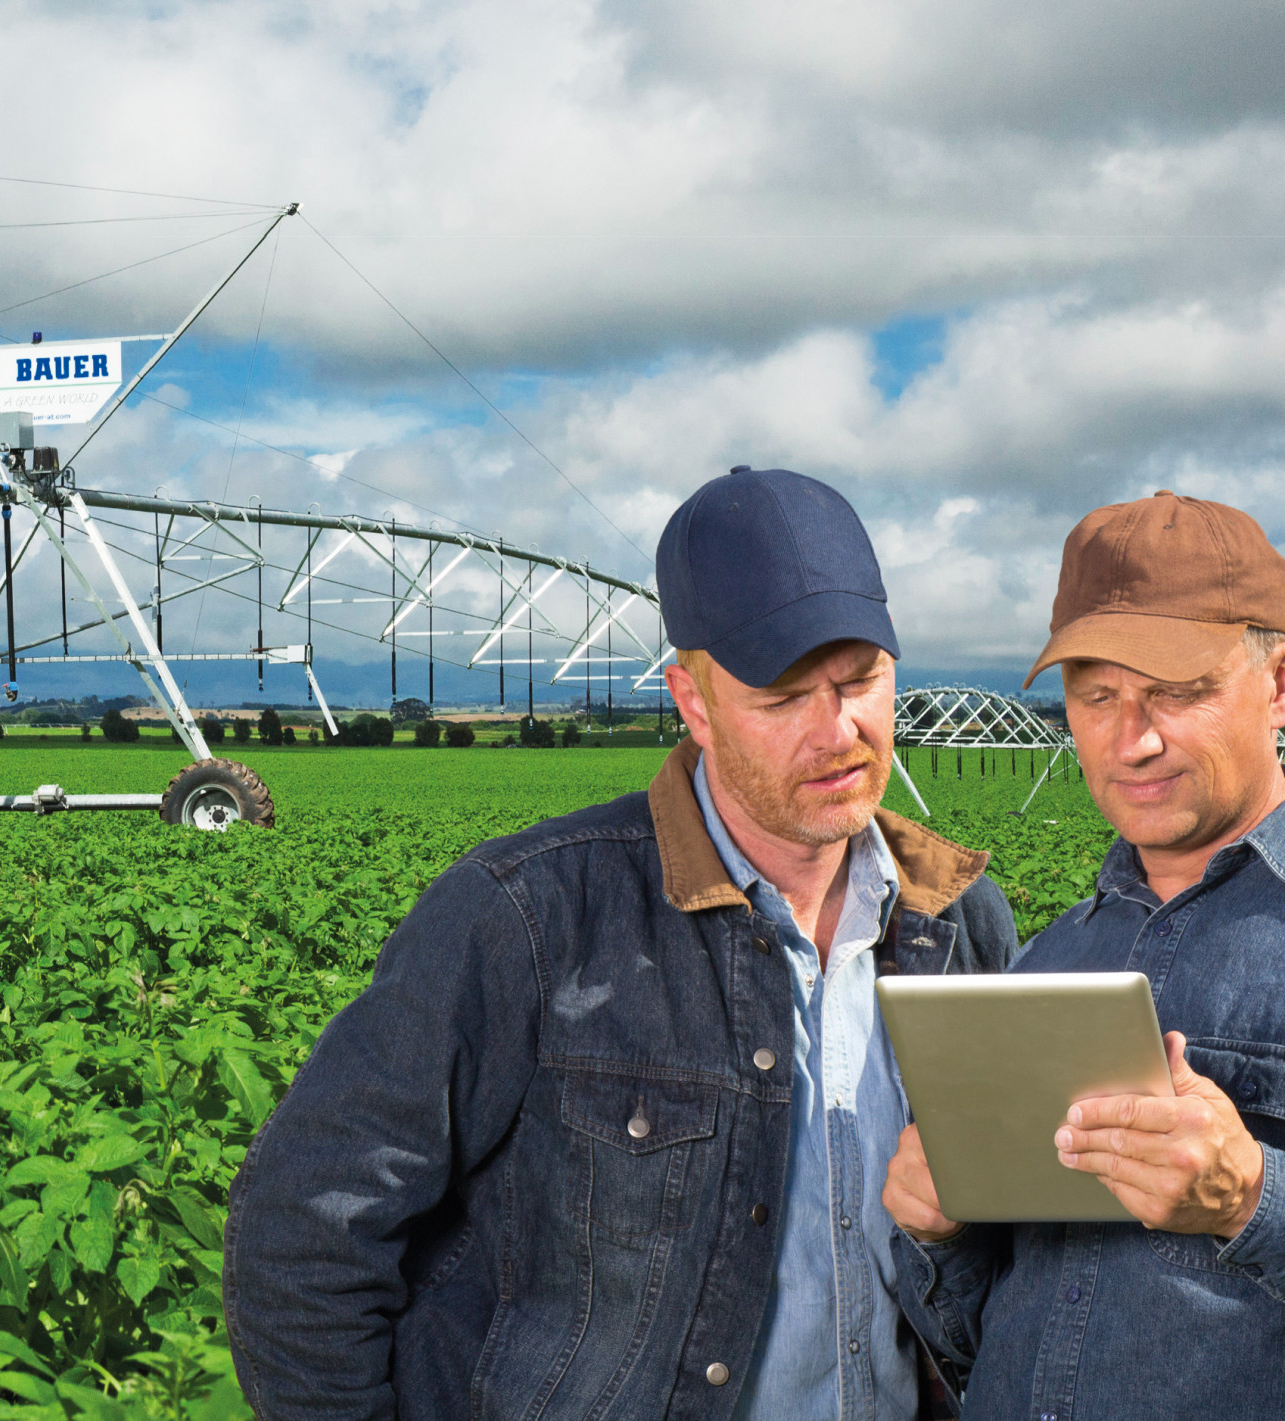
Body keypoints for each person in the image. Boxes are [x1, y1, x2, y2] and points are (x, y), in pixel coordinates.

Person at [224, 466, 1018, 1419]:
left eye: (860, 681)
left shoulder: (960, 923)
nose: (837, 731)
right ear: (694, 701)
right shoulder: (528, 915)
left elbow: (995, 1279)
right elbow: (305, 1230)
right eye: (781, 698)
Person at [882, 490, 1285, 1418]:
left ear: (1284, 683)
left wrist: (1254, 1199)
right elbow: (980, 1336)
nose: (1135, 739)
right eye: (1098, 694)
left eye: (1181, 691)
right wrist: (942, 1232)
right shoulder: (1049, 960)